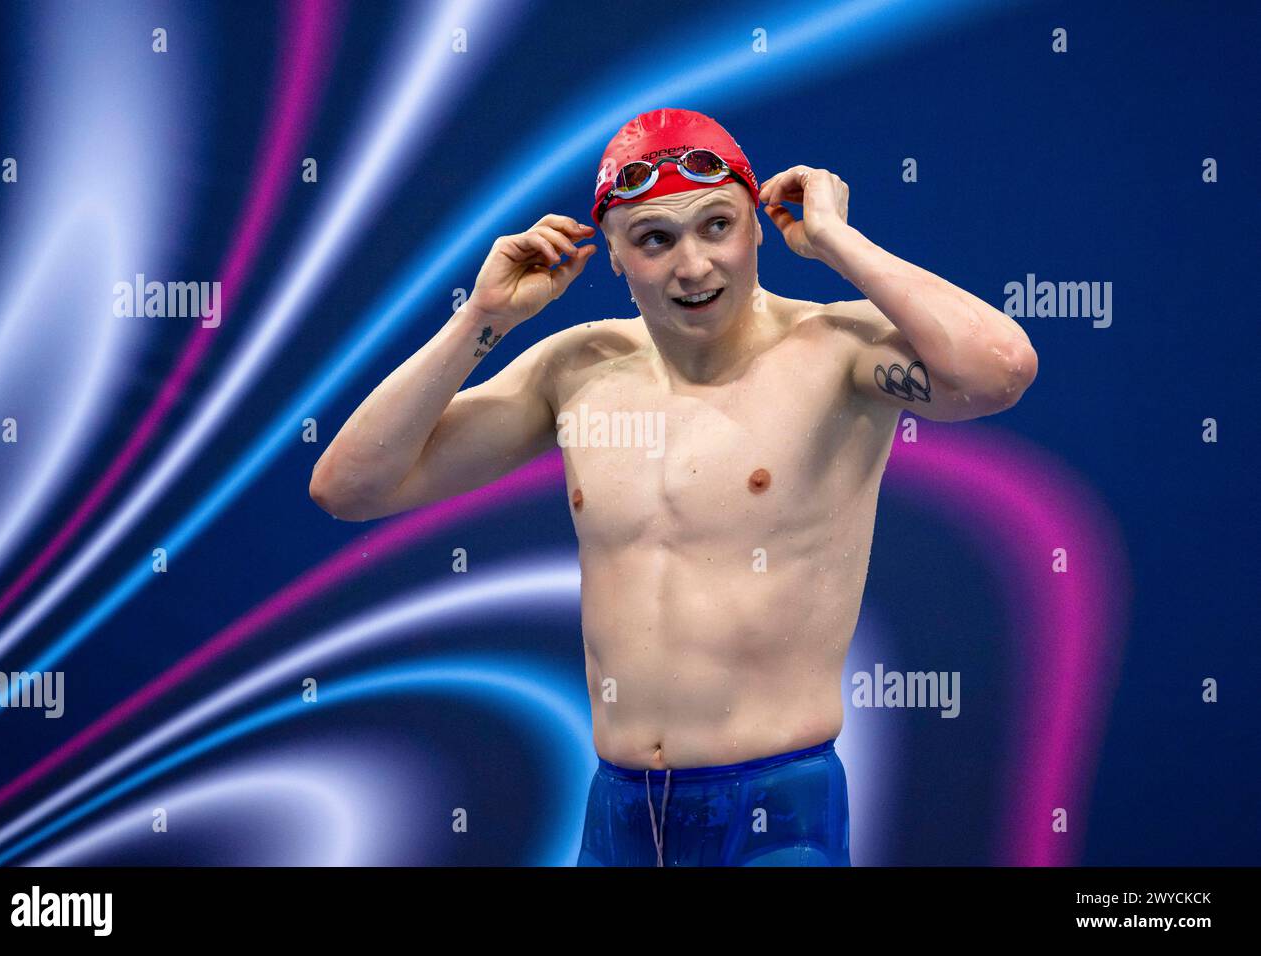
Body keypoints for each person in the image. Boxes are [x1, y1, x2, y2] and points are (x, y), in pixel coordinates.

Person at [309, 107, 1038, 866]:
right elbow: (349, 486)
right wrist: (480, 320)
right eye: (655, 240)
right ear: (616, 257)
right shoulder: (578, 370)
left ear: (758, 226)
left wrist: (837, 243)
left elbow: (1000, 370)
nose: (693, 266)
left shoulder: (837, 355)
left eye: (717, 225)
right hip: (617, 815)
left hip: (774, 814)